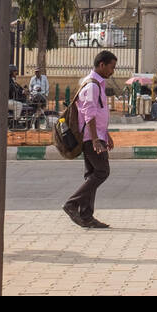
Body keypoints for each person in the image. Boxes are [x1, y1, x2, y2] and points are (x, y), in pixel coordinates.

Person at [63, 50, 118, 229]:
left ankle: (86, 216)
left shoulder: (97, 84)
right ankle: (72, 204)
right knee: (102, 171)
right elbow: (89, 114)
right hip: (90, 137)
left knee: (91, 174)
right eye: (111, 67)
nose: (113, 71)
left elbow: (99, 113)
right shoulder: (92, 86)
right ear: (101, 65)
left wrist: (106, 134)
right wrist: (95, 139)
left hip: (96, 135)